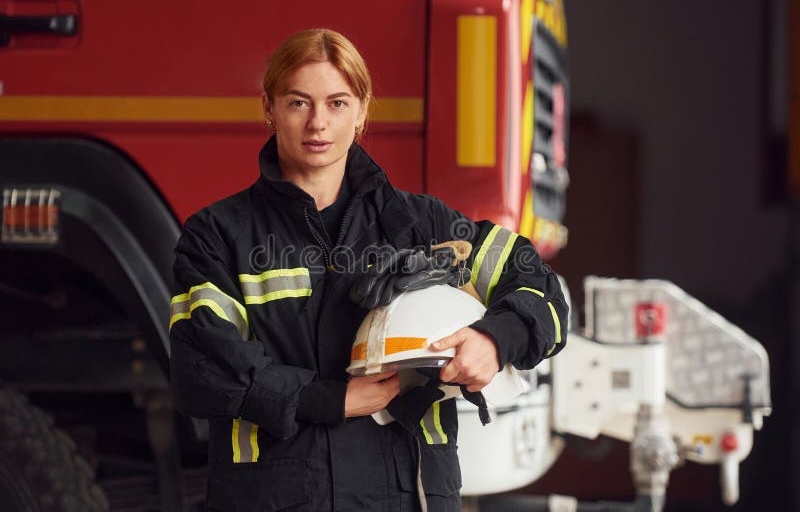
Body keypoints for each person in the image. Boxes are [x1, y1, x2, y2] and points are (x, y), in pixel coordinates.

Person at [169, 28, 568, 512]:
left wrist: (495, 338)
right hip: (274, 497)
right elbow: (201, 372)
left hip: (406, 495)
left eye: (337, 103)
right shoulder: (217, 236)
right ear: (269, 108)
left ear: (361, 112)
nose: (318, 123)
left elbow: (541, 289)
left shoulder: (425, 225)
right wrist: (331, 400)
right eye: (299, 103)